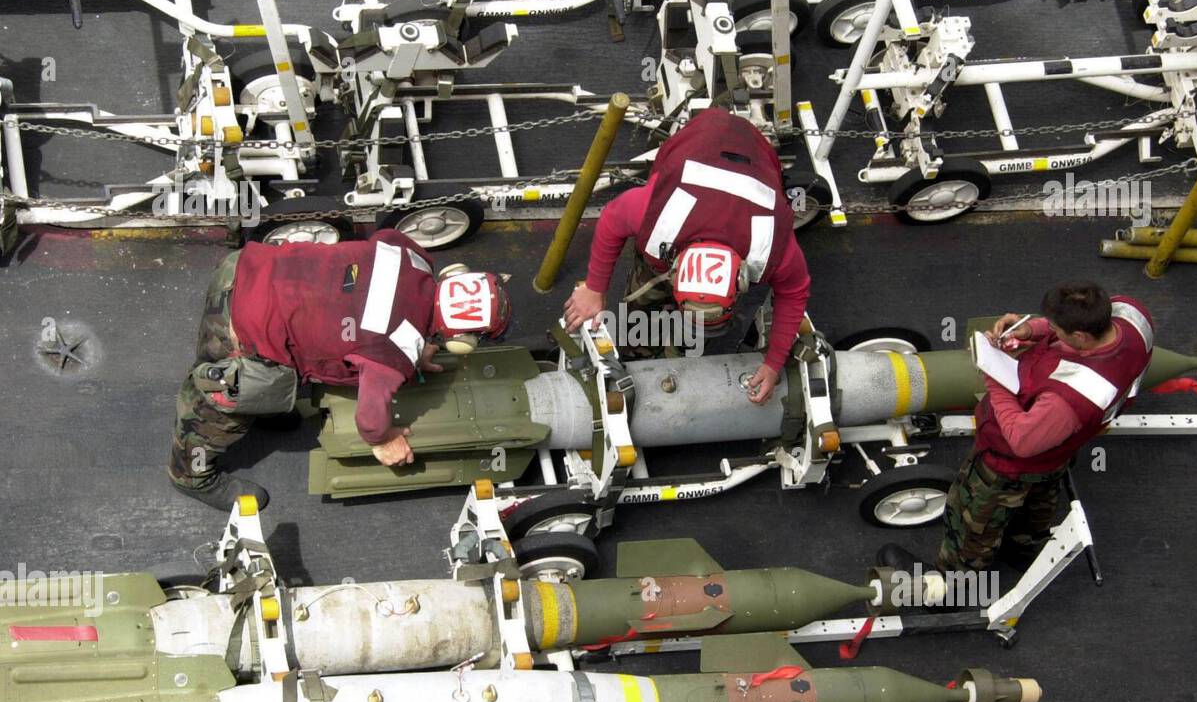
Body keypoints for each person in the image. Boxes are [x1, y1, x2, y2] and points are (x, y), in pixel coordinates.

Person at [168, 231, 510, 510]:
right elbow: (370, 420)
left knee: (279, 375)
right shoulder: (394, 354)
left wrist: (416, 339)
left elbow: (380, 285)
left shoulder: (411, 254)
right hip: (237, 330)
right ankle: (191, 474)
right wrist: (385, 440)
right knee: (217, 409)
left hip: (246, 267)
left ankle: (264, 410)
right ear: (462, 339)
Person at [883, 282, 1155, 574]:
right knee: (1036, 507)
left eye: (1056, 328)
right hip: (1059, 450)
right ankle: (1022, 553)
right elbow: (1078, 332)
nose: (1051, 329)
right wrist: (1033, 330)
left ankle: (952, 591)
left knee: (973, 527)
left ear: (1079, 336)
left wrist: (994, 377)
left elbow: (1021, 440)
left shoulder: (1070, 396)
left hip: (1008, 464)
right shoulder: (1130, 314)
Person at [562, 108, 811, 405]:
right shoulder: (659, 216)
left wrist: (774, 362)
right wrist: (595, 288)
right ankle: (639, 351)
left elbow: (795, 292)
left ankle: (680, 348)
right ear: (673, 272)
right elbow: (612, 219)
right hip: (697, 142)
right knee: (642, 307)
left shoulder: (771, 246)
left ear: (741, 279)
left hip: (751, 153)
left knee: (682, 327)